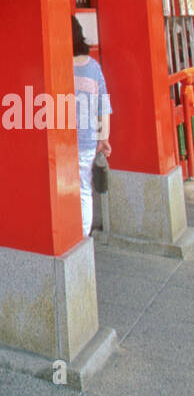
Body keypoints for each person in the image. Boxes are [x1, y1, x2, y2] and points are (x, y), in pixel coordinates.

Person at [72, 17, 112, 236]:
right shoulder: (94, 67)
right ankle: (82, 236)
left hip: (63, 140)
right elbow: (103, 104)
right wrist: (103, 137)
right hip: (87, 140)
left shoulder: (58, 64)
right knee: (84, 190)